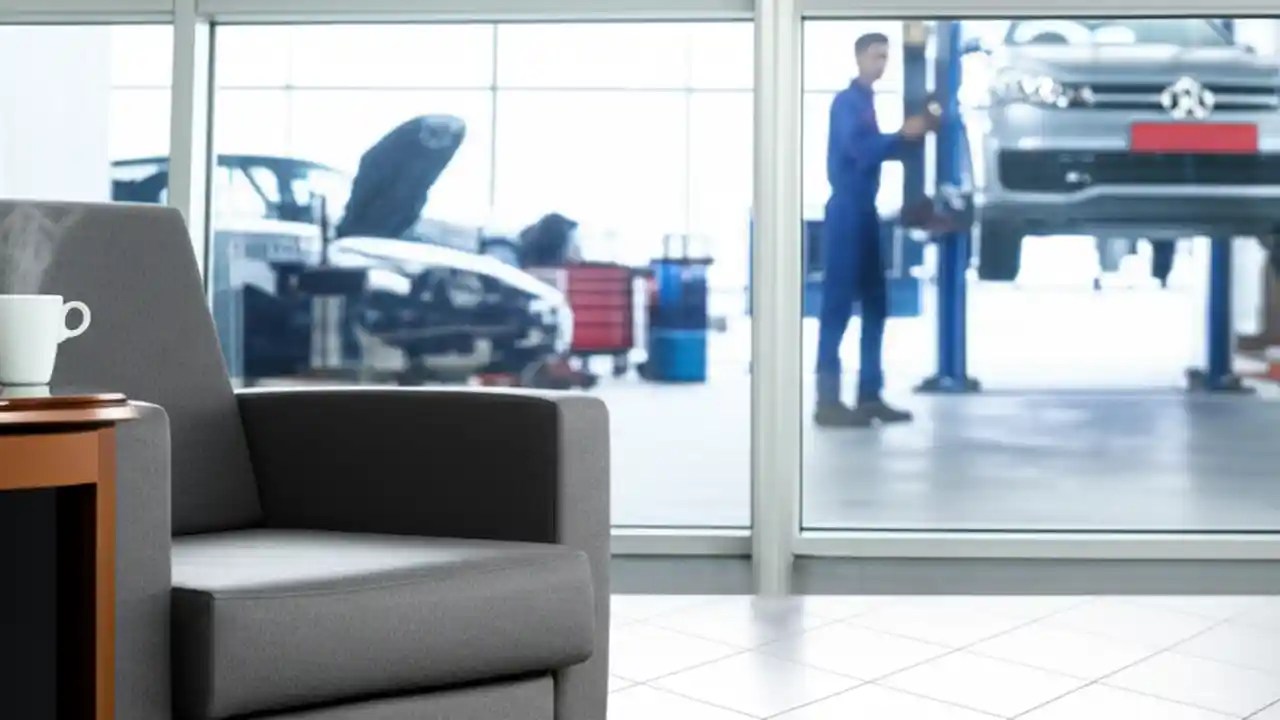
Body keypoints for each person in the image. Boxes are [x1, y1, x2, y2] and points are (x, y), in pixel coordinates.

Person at [815, 32, 934, 428]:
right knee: (837, 308)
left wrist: (919, 133)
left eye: (885, 57)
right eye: (875, 56)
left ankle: (869, 396)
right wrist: (903, 135)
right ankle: (827, 401)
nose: (881, 64)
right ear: (858, 57)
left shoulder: (867, 103)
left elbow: (882, 148)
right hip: (846, 211)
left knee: (876, 306)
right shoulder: (846, 103)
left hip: (865, 213)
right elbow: (862, 151)